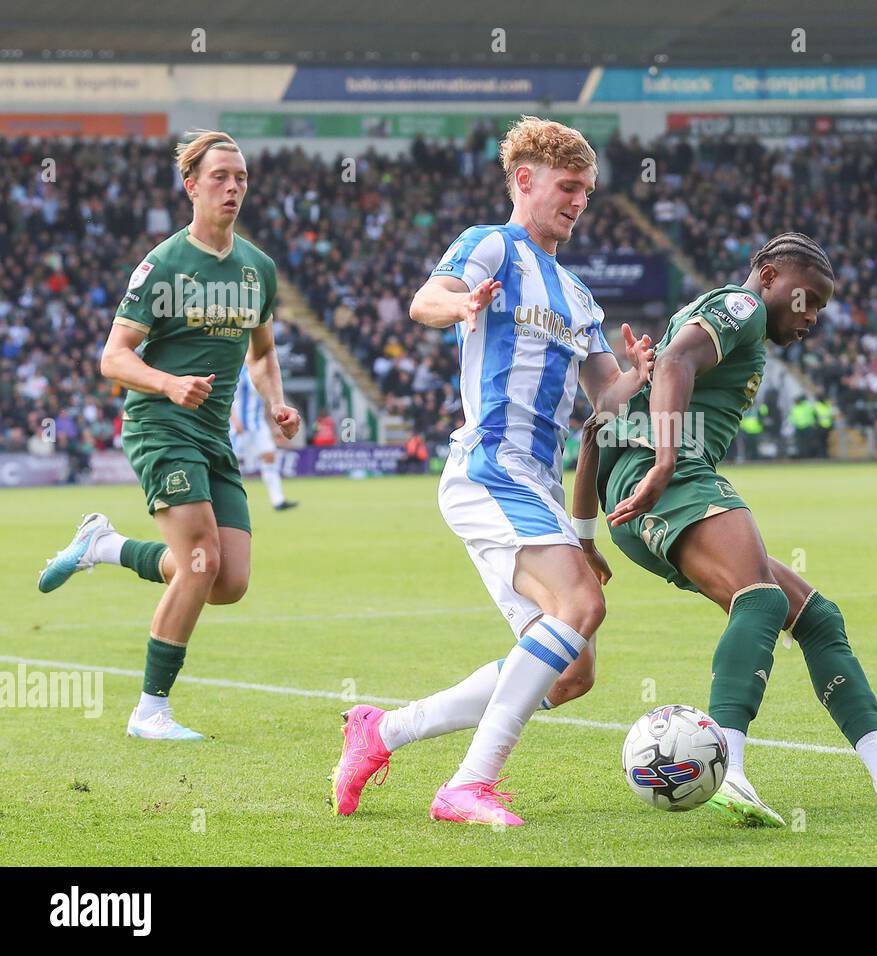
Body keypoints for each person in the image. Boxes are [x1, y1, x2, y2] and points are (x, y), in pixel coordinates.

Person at [580, 233, 877, 826]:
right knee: (761, 598)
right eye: (807, 300)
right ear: (768, 277)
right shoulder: (739, 309)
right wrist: (665, 463)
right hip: (664, 477)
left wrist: (585, 534)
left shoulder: (733, 326)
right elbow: (672, 363)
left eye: (821, 306)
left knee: (817, 618)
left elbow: (596, 427)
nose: (812, 317)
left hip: (646, 491)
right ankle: (727, 769)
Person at [329, 116, 654, 827]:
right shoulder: (492, 246)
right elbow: (427, 300)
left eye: (588, 192)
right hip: (491, 470)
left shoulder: (578, 294)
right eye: (568, 186)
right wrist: (462, 303)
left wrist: (638, 375)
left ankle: (381, 732)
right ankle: (467, 785)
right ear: (525, 179)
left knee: (571, 674)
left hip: (534, 480)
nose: (578, 201)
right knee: (582, 609)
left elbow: (603, 396)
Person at [37, 130, 301, 740]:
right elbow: (113, 357)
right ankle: (149, 711)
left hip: (213, 436)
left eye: (240, 178)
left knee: (226, 580)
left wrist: (278, 405)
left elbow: (262, 354)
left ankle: (103, 547)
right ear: (192, 186)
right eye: (220, 177)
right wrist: (167, 383)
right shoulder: (164, 263)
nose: (233, 187)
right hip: (161, 425)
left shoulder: (258, 267)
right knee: (202, 559)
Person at [230, 358, 297, 511]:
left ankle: (278, 500)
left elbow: (267, 402)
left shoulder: (259, 373)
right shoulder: (236, 370)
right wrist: (234, 419)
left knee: (269, 455)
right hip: (239, 426)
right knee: (230, 463)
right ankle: (229, 502)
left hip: (258, 425)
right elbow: (227, 397)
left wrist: (274, 425)